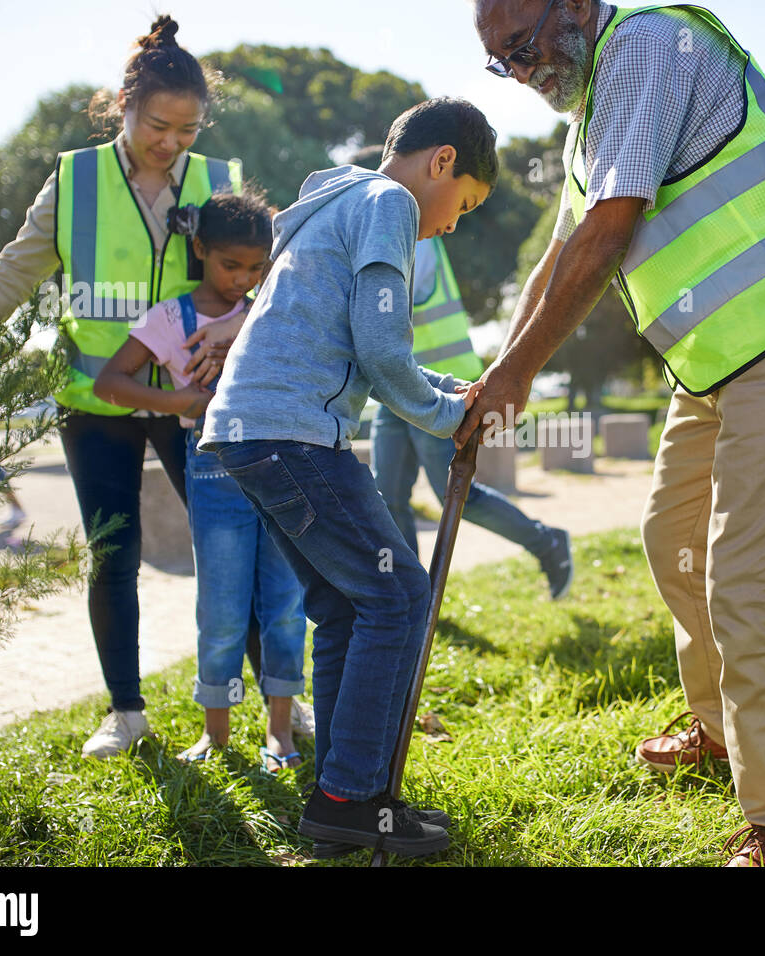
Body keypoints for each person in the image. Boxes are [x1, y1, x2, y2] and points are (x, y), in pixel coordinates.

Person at [467, 0, 765, 866]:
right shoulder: (592, 118)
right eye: (499, 62)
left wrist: (517, 373)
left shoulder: (649, 45)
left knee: (749, 576)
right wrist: (497, 372)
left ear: (573, 6)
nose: (518, 72)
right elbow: (559, 255)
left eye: (520, 46)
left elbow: (610, 230)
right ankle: (726, 730)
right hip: (718, 355)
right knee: (673, 541)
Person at [0, 16, 253, 758]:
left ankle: (275, 700)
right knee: (113, 552)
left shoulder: (217, 182)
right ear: (124, 104)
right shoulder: (74, 179)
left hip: (193, 402)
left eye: (188, 129)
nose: (171, 142)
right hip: (95, 402)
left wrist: (235, 336)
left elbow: (256, 284)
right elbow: (13, 270)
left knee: (233, 545)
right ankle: (126, 713)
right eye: (158, 124)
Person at [200, 97, 495, 858]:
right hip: (294, 433)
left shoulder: (335, 202)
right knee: (398, 596)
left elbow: (354, 345)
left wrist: (447, 389)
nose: (453, 224)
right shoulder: (390, 202)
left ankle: (341, 792)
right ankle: (351, 797)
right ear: (441, 163)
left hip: (253, 429)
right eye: (462, 203)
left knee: (343, 603)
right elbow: (381, 349)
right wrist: (446, 416)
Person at [94, 191, 308, 772]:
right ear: (200, 250)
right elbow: (109, 383)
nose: (243, 279)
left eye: (256, 268)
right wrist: (177, 399)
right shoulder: (172, 318)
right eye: (230, 265)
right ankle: (216, 737)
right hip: (214, 471)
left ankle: (281, 734)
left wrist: (246, 328)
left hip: (282, 464)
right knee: (221, 608)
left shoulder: (271, 308)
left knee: (285, 605)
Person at [354, 144, 574, 596]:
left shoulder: (415, 237)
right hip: (399, 385)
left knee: (456, 494)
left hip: (446, 387)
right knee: (389, 494)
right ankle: (408, 599)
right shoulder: (390, 228)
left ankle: (546, 541)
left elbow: (380, 301)